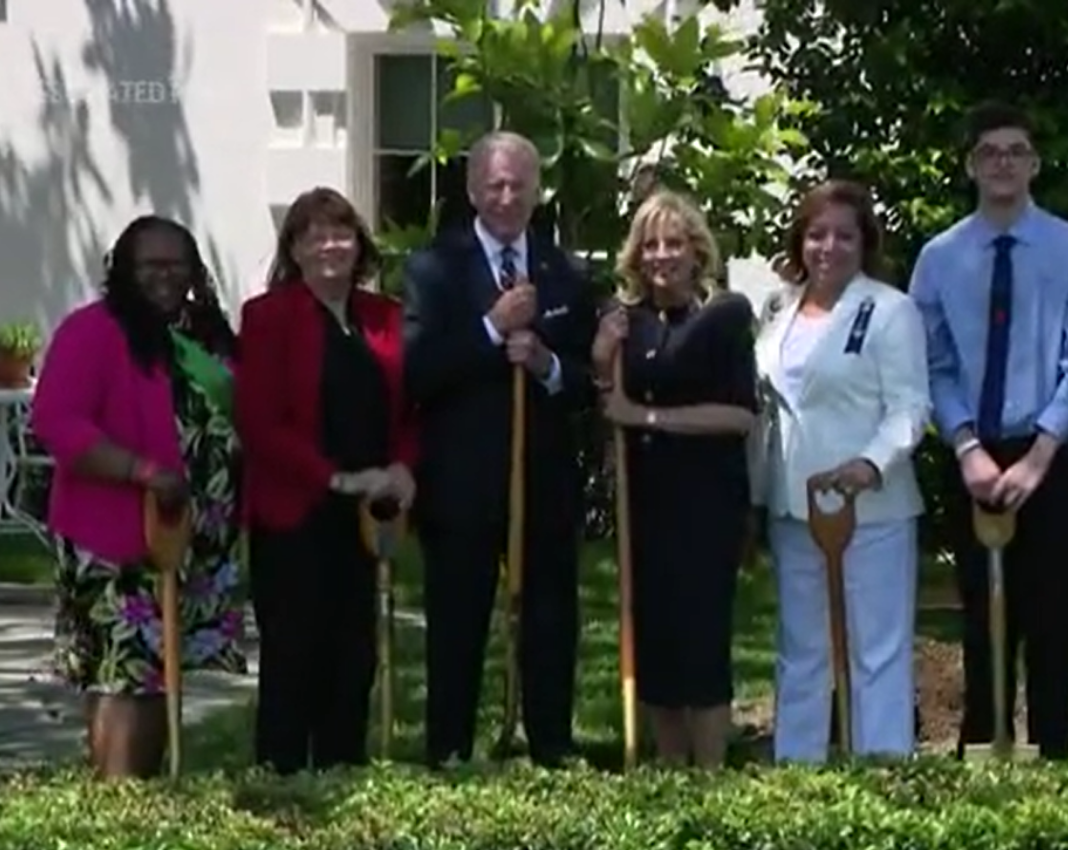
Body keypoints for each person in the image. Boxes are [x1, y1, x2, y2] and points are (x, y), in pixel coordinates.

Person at [909, 100, 1068, 762]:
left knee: (1052, 622)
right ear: (971, 166)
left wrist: (1040, 456)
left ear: (1035, 165)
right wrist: (965, 447)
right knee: (982, 620)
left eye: (1015, 151)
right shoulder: (939, 259)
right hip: (972, 454)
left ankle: (1052, 763)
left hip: (1049, 456)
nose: (1003, 163)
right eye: (989, 152)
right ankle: (984, 756)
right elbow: (932, 362)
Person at [401, 131, 599, 769]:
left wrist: (546, 364)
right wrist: (492, 328)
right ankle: (450, 749)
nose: (507, 197)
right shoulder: (432, 270)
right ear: (472, 189)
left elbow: (585, 384)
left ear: (537, 189)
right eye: (495, 184)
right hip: (461, 483)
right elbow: (416, 370)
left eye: (519, 184)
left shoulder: (565, 272)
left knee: (548, 619)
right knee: (457, 619)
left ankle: (550, 743)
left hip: (542, 481)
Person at [30, 215, 246, 780]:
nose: (164, 275)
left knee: (157, 673)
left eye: (176, 263)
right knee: (126, 673)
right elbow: (57, 422)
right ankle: (120, 807)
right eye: (149, 264)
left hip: (190, 536)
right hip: (116, 536)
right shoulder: (94, 331)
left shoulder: (205, 336)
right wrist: (140, 470)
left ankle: (135, 801)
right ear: (122, 269)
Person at [234, 186, 418, 774]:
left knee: (354, 658)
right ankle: (282, 788)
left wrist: (402, 468)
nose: (330, 246)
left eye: (341, 233)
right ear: (295, 248)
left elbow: (411, 409)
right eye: (315, 236)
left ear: (359, 242)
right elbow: (261, 423)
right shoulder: (268, 319)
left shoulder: (384, 318)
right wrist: (336, 479)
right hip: (295, 514)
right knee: (294, 658)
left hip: (367, 519)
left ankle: (343, 775)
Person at [749, 179, 931, 762]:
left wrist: (868, 464)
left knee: (874, 650)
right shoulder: (779, 311)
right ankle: (798, 776)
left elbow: (909, 407)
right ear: (800, 241)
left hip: (870, 508)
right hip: (794, 506)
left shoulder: (889, 310)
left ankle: (883, 775)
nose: (829, 247)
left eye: (844, 236)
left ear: (865, 242)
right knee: (801, 650)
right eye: (817, 234)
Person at [591, 190, 758, 770]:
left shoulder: (726, 316)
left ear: (696, 250)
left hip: (707, 502)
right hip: (646, 500)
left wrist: (650, 417)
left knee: (701, 636)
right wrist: (600, 358)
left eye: (674, 243)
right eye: (651, 244)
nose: (662, 255)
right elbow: (609, 405)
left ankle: (710, 772)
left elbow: (740, 415)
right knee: (655, 636)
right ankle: (668, 768)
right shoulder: (625, 321)